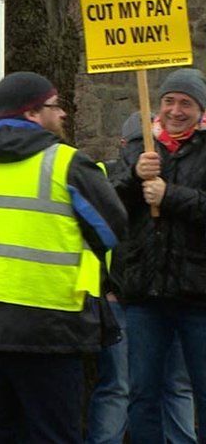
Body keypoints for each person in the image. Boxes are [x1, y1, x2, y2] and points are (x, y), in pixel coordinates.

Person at [0, 71, 126, 443]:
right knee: (51, 434)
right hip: (47, 324)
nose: (62, 113)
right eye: (55, 105)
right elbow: (111, 230)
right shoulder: (66, 163)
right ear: (33, 113)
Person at [86, 111, 196, 444]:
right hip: (121, 299)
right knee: (122, 386)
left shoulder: (176, 176)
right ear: (125, 145)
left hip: (170, 296)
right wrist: (106, 288)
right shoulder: (107, 176)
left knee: (175, 384)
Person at [111, 68, 206, 442]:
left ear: (200, 110)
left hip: (198, 293)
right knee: (142, 392)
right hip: (145, 293)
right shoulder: (139, 147)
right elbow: (113, 204)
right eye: (169, 101)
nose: (175, 110)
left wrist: (171, 197)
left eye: (186, 103)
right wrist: (135, 176)